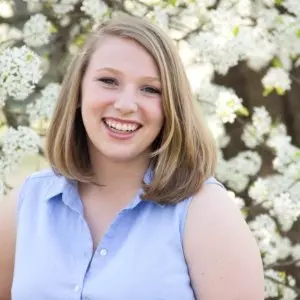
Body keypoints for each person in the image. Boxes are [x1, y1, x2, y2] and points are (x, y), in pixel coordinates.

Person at [0, 14, 264, 300]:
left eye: (150, 89)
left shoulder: (205, 212)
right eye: (108, 81)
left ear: (171, 106)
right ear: (78, 92)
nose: (125, 105)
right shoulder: (27, 203)